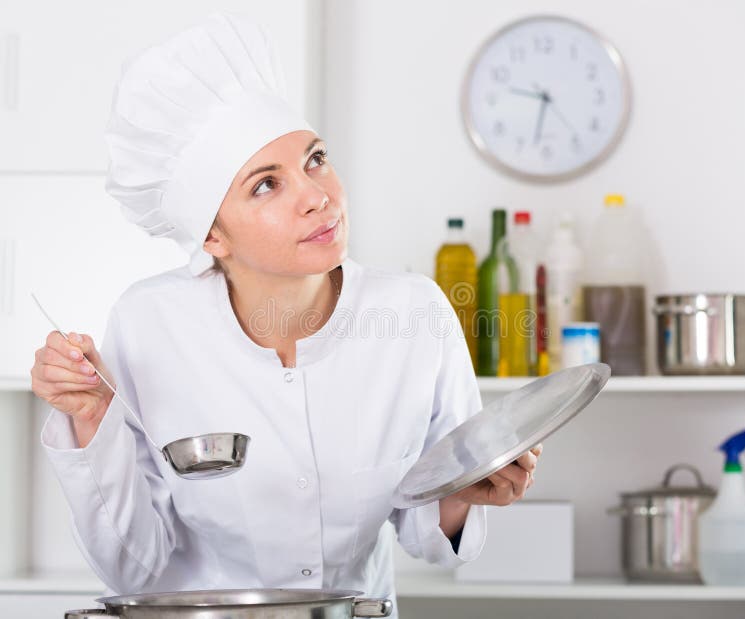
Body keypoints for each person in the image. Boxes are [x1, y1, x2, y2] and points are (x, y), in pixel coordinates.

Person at [29, 12, 542, 614]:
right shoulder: (150, 326)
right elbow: (134, 566)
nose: (317, 196)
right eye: (266, 185)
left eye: (316, 159)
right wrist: (93, 418)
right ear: (212, 236)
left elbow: (428, 532)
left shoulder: (416, 314)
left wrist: (466, 495)